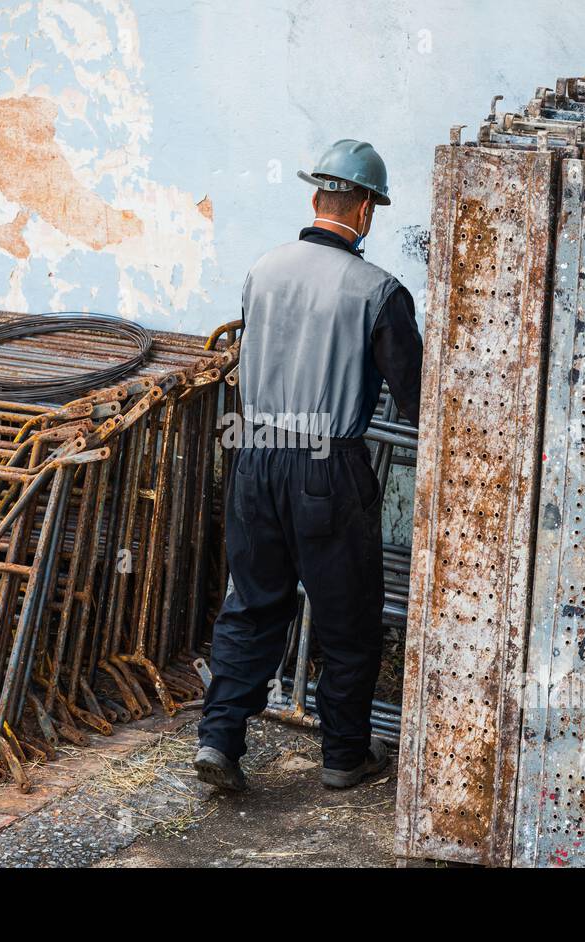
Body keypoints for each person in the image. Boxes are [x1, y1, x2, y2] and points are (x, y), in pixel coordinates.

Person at [195, 139, 423, 791]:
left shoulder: (262, 270)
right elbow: (417, 400)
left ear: (316, 197)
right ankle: (344, 755)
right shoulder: (379, 290)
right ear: (366, 213)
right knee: (348, 617)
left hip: (255, 458)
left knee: (252, 605)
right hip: (329, 470)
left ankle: (217, 742)